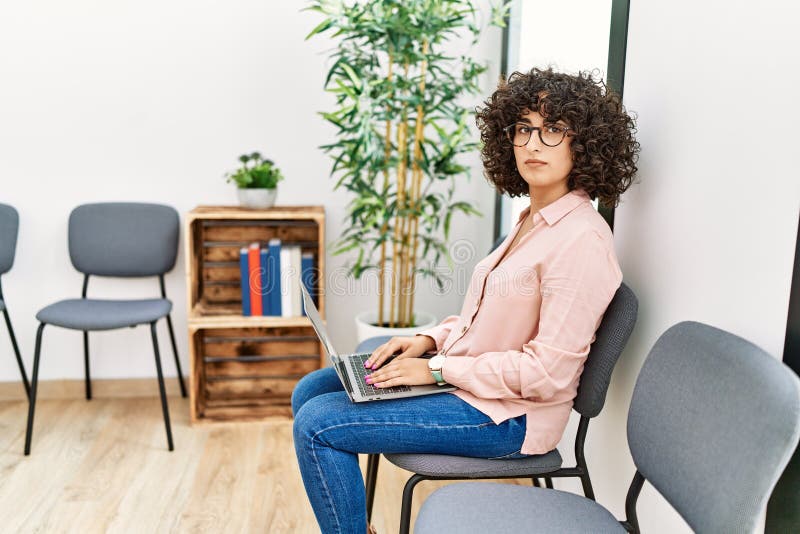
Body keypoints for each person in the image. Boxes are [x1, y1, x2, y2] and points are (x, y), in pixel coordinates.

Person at [292, 66, 640, 534]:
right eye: (523, 129)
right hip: (473, 387)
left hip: (510, 417)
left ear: (585, 143)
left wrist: (437, 370)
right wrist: (426, 340)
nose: (534, 144)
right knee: (311, 391)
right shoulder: (531, 220)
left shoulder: (581, 242)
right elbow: (484, 321)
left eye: (553, 130)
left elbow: (546, 375)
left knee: (317, 425)